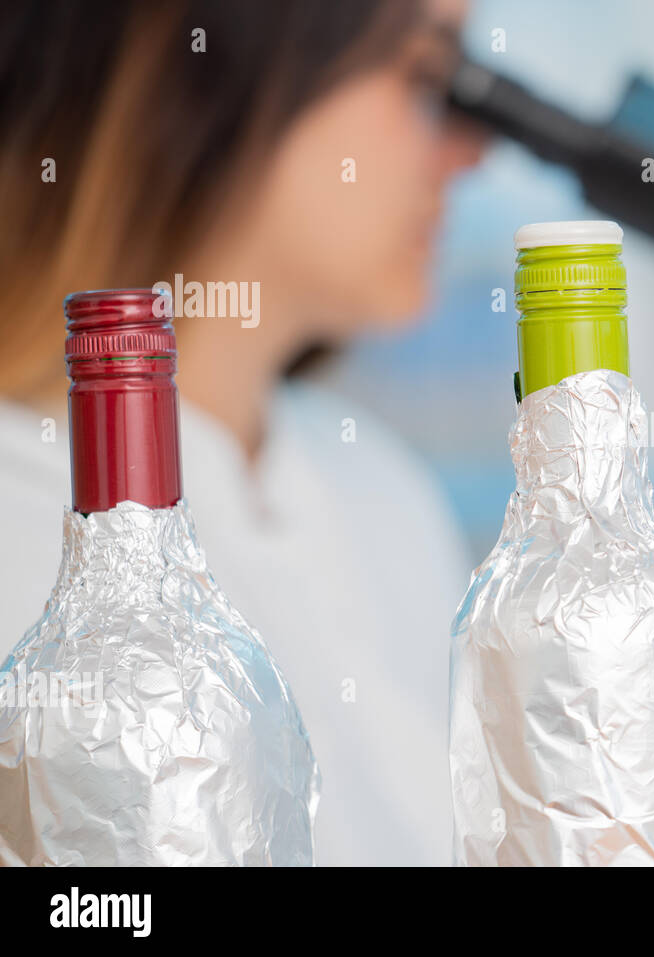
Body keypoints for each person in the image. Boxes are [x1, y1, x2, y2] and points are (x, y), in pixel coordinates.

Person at [0, 0, 486, 864]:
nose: (473, 153)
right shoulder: (18, 528)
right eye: (426, 78)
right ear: (198, 59)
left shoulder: (378, 485)